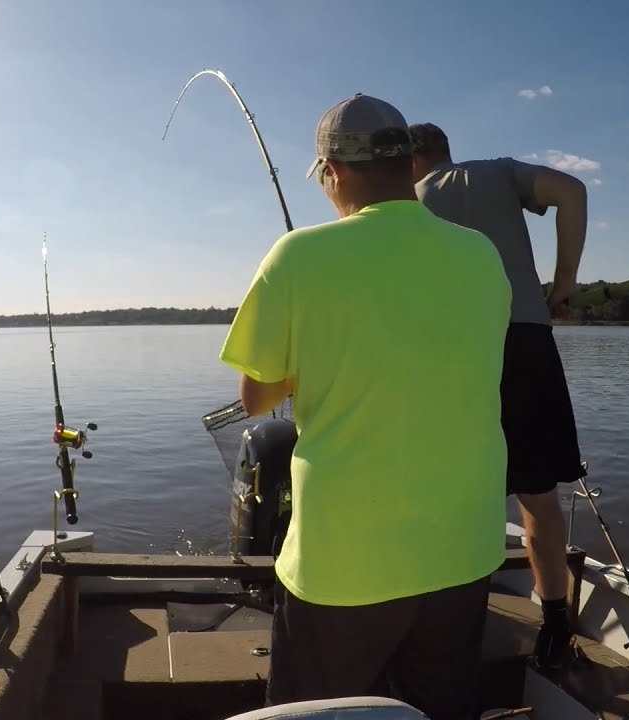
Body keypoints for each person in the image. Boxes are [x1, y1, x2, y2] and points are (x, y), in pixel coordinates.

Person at [218, 94, 513, 719]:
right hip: (464, 545)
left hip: (345, 557)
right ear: (409, 164)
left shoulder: (298, 254)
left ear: (334, 172)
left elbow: (255, 398)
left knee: (316, 711)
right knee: (441, 707)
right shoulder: (482, 255)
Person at [407, 121, 590, 671]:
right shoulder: (498, 174)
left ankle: (445, 615)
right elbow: (572, 191)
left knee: (451, 492)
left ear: (411, 160)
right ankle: (555, 622)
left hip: (452, 353)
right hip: (527, 342)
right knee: (538, 496)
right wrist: (564, 282)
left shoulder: (405, 201)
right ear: (446, 152)